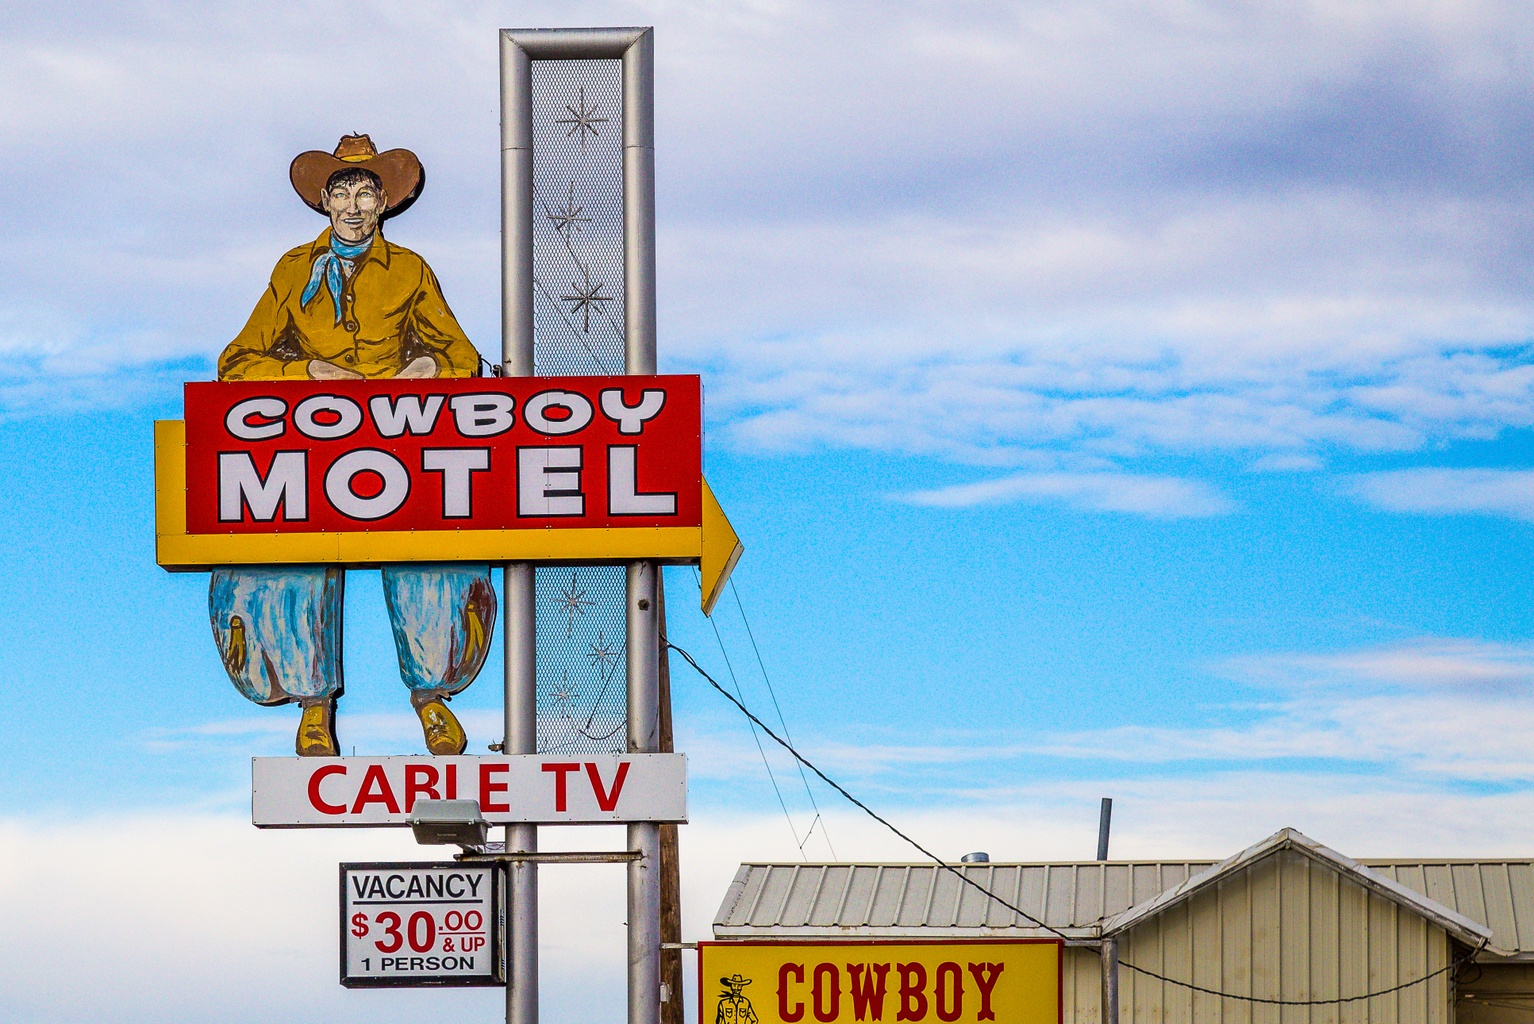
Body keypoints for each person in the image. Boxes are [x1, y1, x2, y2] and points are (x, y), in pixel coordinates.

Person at [209, 134, 496, 757]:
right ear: (324, 200)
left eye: (366, 191)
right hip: (310, 446)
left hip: (403, 440)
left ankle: (432, 699)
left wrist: (427, 370)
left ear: (385, 201)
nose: (355, 203)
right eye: (343, 191)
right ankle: (314, 711)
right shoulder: (293, 270)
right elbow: (237, 364)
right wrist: (306, 375)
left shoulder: (411, 270)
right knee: (296, 568)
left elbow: (464, 358)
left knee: (431, 560)